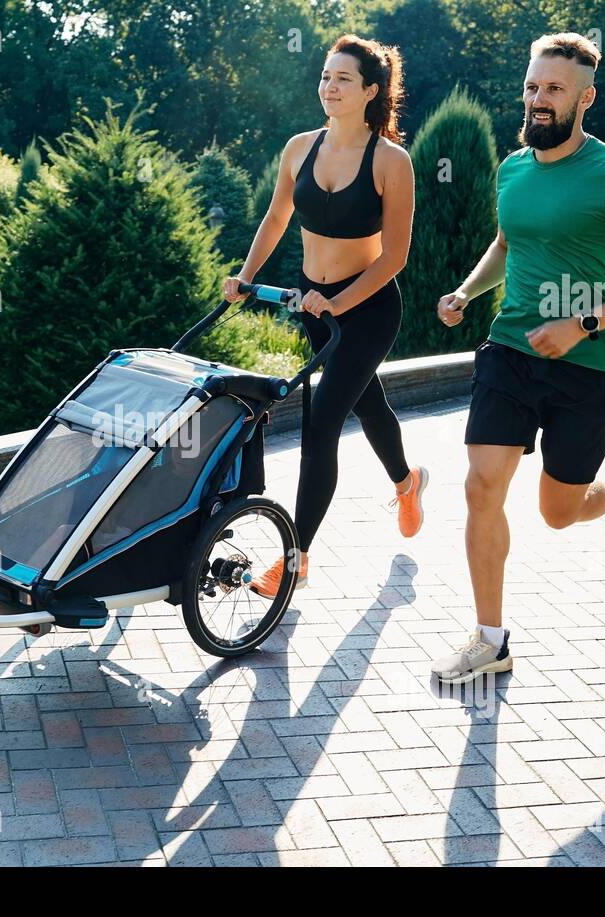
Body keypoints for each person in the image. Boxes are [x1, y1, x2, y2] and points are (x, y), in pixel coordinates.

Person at [431, 32, 605, 684]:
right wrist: (466, 289)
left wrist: (583, 323)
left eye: (553, 89)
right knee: (481, 486)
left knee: (556, 511)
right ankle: (491, 641)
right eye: (532, 87)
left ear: (585, 97)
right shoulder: (513, 168)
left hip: (591, 364)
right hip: (513, 351)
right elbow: (506, 242)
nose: (538, 99)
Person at [221, 33, 428, 596]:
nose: (329, 87)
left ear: (370, 91)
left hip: (365, 310)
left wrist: (339, 301)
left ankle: (296, 558)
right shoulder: (300, 148)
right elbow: (276, 218)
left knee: (321, 425)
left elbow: (396, 255)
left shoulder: (391, 162)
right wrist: (245, 276)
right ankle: (407, 481)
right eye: (324, 76)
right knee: (368, 400)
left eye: (343, 79)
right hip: (315, 307)